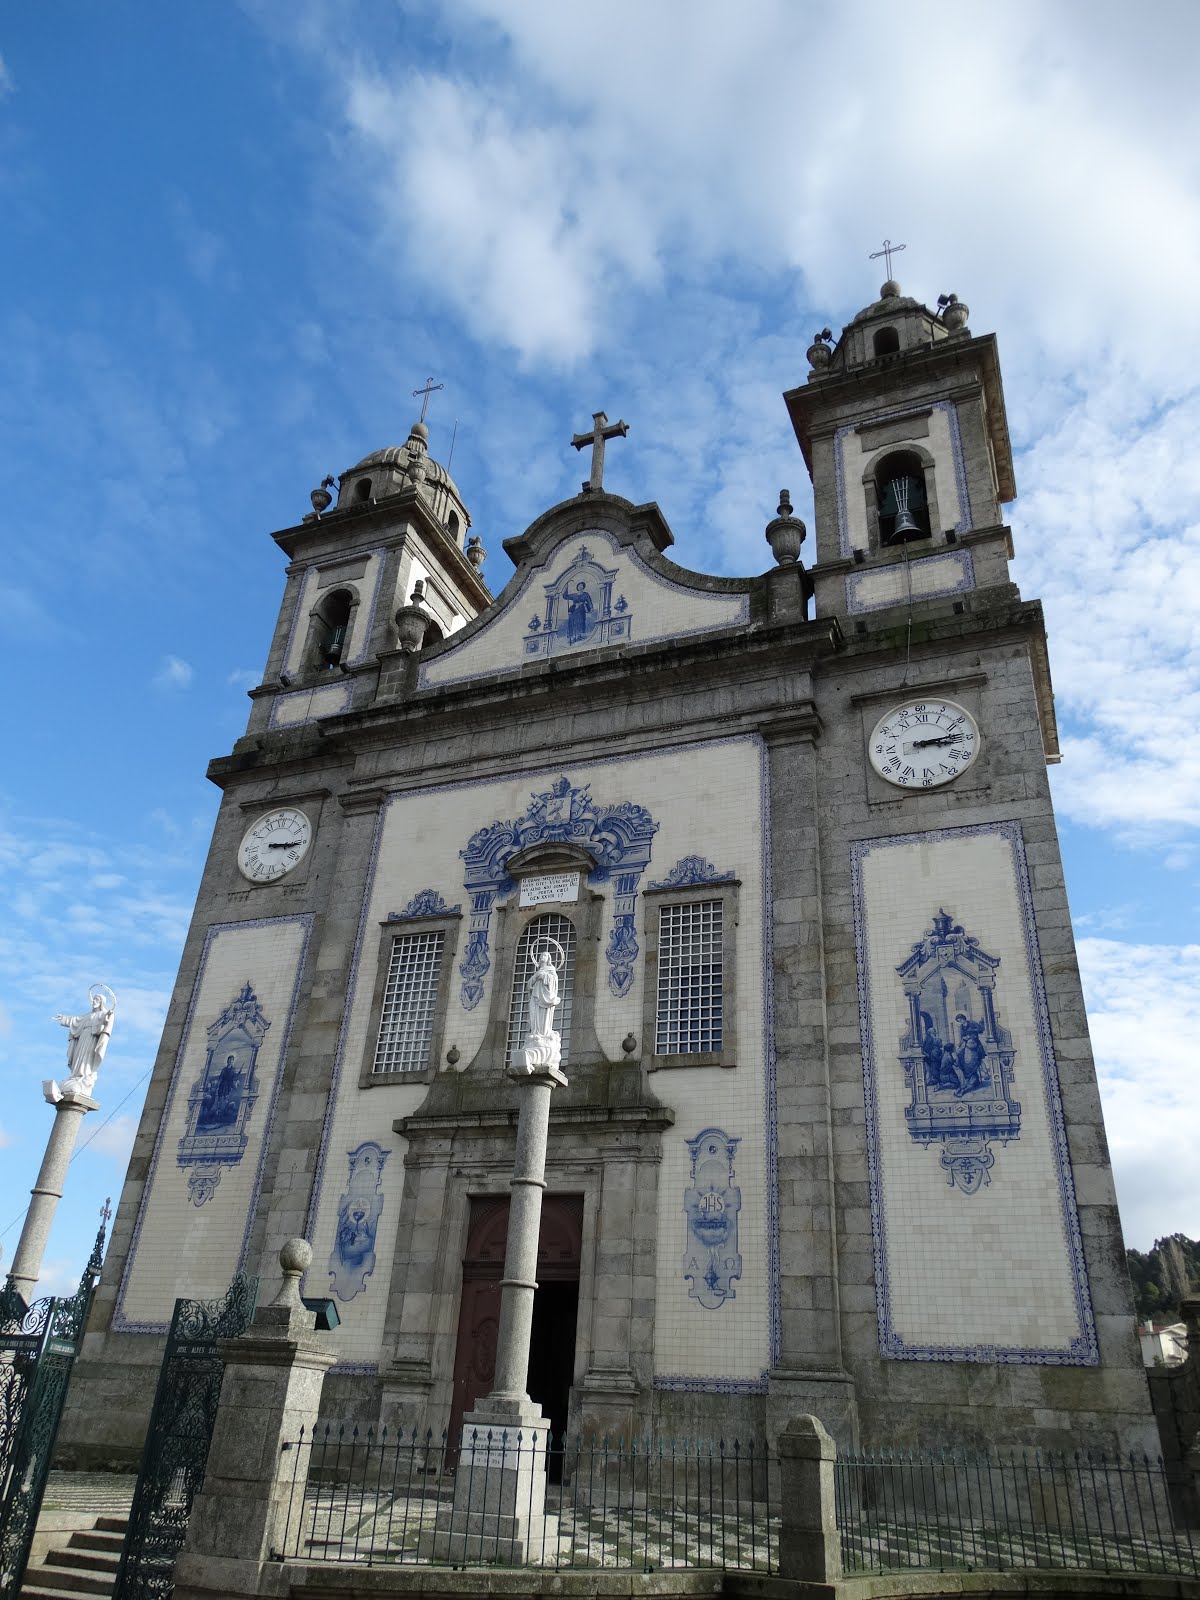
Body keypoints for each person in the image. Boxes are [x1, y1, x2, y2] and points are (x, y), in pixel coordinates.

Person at [53, 992, 114, 1095]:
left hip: (92, 1039)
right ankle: (76, 1076)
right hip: (83, 1037)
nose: (94, 1001)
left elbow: (106, 1026)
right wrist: (63, 1018)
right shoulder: (88, 1015)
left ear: (101, 1003)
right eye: (94, 999)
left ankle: (85, 1076)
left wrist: (107, 1019)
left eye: (97, 1000)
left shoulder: (104, 1014)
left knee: (87, 1058)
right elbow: (75, 1020)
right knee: (78, 1058)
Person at [527, 948, 560, 1038]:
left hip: (545, 996)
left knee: (544, 1016)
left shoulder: (551, 969)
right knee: (534, 1013)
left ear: (548, 958)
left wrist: (544, 976)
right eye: (541, 955)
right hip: (535, 995)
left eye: (545, 955)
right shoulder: (538, 971)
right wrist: (537, 976)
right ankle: (534, 1032)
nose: (542, 956)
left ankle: (543, 1033)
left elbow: (554, 981)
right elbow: (529, 984)